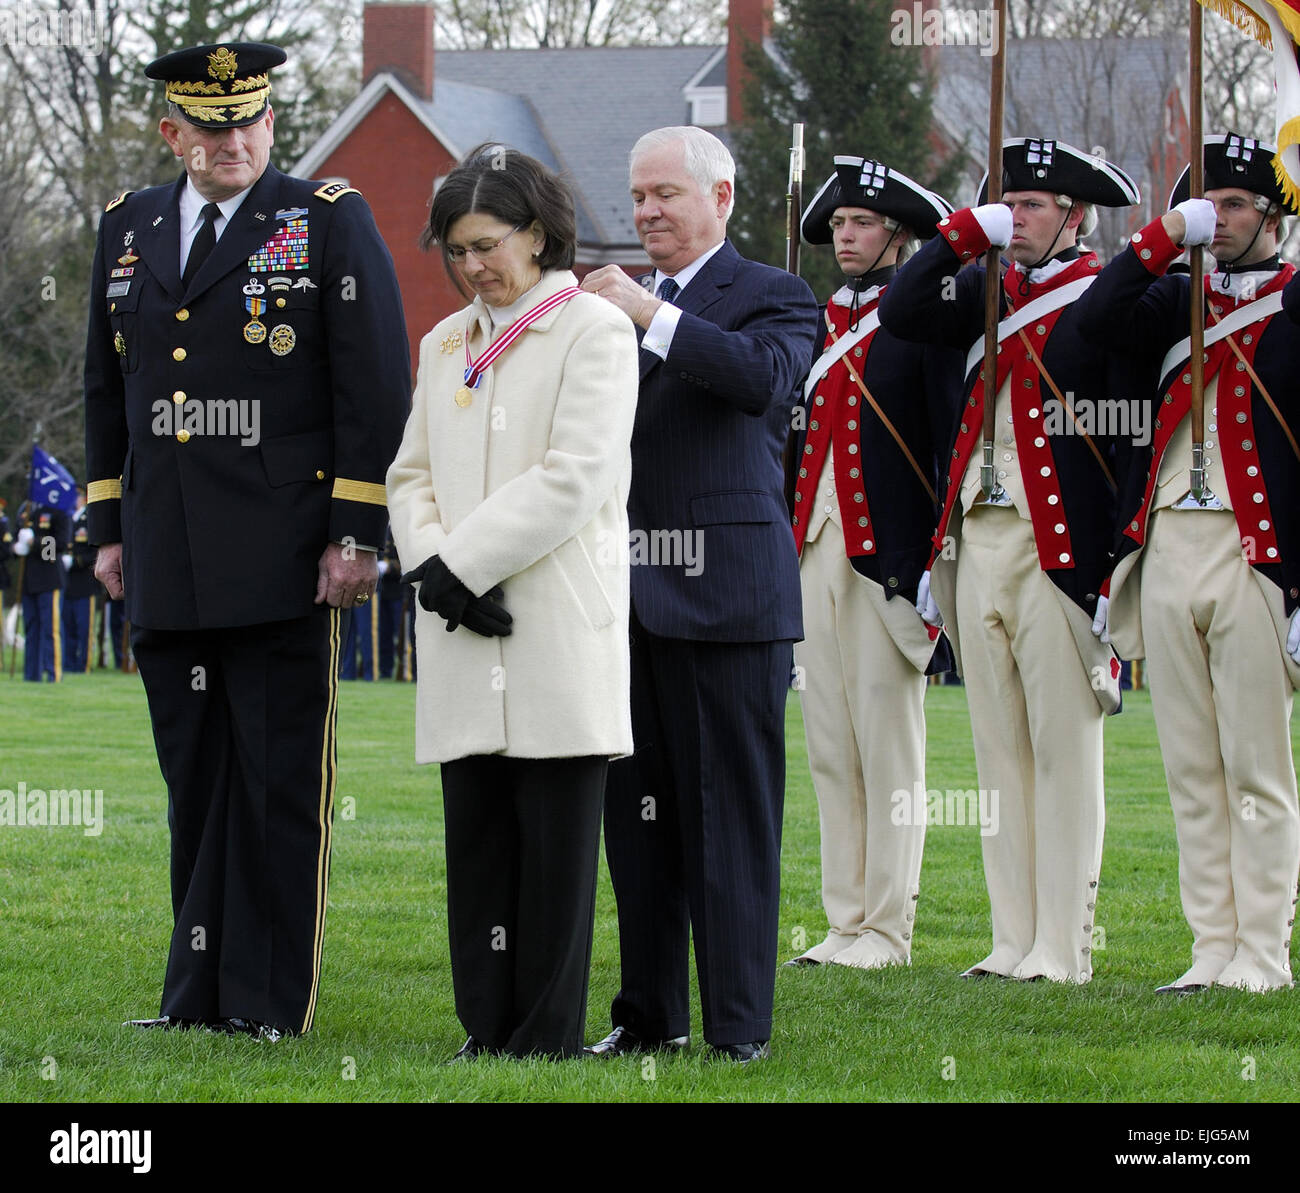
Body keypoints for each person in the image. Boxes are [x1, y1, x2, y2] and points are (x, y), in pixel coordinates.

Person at [83, 42, 409, 1038]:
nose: (235, 141)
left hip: (284, 552)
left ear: (271, 124)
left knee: (274, 781)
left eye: (251, 121)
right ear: (172, 132)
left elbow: (375, 386)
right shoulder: (128, 227)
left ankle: (267, 1001)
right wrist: (107, 524)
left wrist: (356, 531)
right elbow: (107, 388)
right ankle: (194, 998)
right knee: (197, 781)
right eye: (212, 125)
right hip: (166, 550)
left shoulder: (325, 221)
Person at [386, 143, 639, 1060]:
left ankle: (546, 1034)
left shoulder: (593, 331)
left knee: (555, 852)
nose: (473, 266)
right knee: (480, 845)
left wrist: (467, 563)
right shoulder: (444, 342)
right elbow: (408, 474)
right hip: (460, 623)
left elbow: (576, 475)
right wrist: (436, 570)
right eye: (456, 249)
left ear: (537, 235)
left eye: (487, 244)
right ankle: (484, 1027)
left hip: (554, 621)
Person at [580, 126, 820, 1061]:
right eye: (637, 197)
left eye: (665, 195)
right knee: (636, 827)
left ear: (721, 196)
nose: (645, 213)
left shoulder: (776, 295)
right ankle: (648, 1017)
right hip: (623, 603)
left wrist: (649, 313)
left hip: (729, 602)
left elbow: (760, 381)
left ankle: (736, 1026)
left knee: (730, 822)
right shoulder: (604, 310)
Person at [879, 139, 1139, 983]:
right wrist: (963, 233)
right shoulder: (979, 291)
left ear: (1075, 215)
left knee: (1062, 749)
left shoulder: (1102, 293)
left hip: (1059, 548)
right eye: (1009, 202)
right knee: (997, 750)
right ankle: (1012, 936)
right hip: (975, 536)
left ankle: (1064, 945)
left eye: (1033, 204)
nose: (1017, 217)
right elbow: (902, 308)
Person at [1074, 133, 1300, 992]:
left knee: (1255, 766)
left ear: (1274, 213)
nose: (1223, 217)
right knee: (1191, 766)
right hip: (1168, 544)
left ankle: (1263, 953)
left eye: (1238, 203)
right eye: (1213, 202)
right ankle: (1212, 946)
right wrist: (1167, 233)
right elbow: (1094, 323)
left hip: (1256, 553)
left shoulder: (1293, 300)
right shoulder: (1175, 302)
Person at [785, 157, 958, 970]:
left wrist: (932, 559)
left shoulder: (920, 322)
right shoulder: (815, 323)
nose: (845, 237)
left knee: (887, 744)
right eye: (840, 225)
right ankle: (844, 919)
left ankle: (887, 928)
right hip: (811, 549)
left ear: (899, 235)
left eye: (861, 224)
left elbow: (945, 439)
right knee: (829, 743)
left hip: (883, 556)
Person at [15, 499, 69, 682]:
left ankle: (54, 673)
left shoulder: (58, 510)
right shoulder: (26, 508)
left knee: (50, 629)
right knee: (31, 628)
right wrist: (17, 546)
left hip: (48, 578)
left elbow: (60, 545)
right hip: (28, 580)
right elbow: (16, 536)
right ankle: (31, 675)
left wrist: (35, 542)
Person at [62, 487, 98, 674]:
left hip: (84, 583)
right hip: (66, 583)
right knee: (67, 626)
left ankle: (83, 664)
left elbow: (95, 552)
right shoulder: (68, 518)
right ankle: (67, 663)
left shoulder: (89, 519)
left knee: (84, 628)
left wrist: (75, 561)